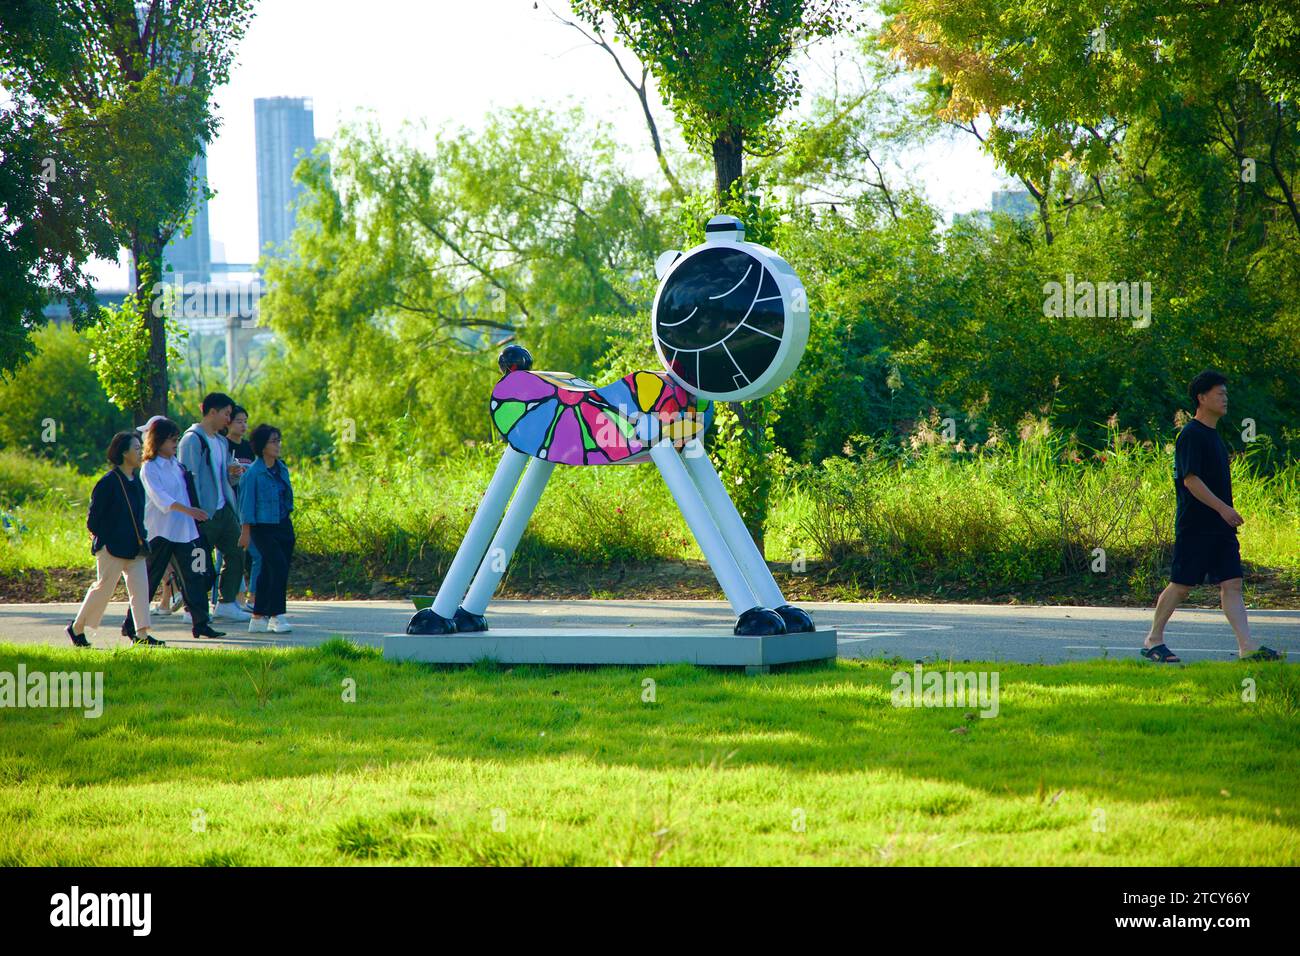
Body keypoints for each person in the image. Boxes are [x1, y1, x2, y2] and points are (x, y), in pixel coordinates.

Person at [1142, 370, 1280, 663]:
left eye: (1226, 393)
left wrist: (1224, 515)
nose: (1225, 398)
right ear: (1202, 398)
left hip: (1220, 527)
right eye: (1220, 393)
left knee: (1231, 583)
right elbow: (1191, 481)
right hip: (1196, 526)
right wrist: (1223, 509)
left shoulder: (1215, 437)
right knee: (1181, 585)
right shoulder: (1190, 435)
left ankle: (1247, 646)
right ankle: (1154, 640)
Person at [121, 418, 226, 640]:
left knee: (194, 577)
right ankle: (131, 624)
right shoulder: (149, 467)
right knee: (149, 579)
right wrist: (191, 511)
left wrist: (193, 515)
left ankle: (201, 624)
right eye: (171, 440)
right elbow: (163, 500)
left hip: (183, 532)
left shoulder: (177, 465)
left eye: (176, 440)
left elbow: (185, 493)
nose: (175, 444)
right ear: (158, 441)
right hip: (160, 532)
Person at [66, 432, 157, 647]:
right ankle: (77, 628)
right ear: (124, 453)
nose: (140, 451)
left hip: (135, 547)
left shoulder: (137, 482)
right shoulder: (108, 483)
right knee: (103, 590)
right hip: (111, 547)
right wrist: (107, 539)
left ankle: (142, 634)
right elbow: (93, 520)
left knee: (141, 590)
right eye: (136, 447)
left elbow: (139, 516)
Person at [178, 392, 249, 622]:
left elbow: (225, 475)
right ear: (212, 412)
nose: (228, 419)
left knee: (237, 550)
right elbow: (188, 478)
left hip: (224, 508)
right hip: (203, 512)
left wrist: (233, 473)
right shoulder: (192, 440)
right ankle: (193, 607)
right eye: (227, 414)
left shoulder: (220, 441)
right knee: (199, 560)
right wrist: (194, 511)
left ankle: (227, 602)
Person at [238, 424, 295, 633]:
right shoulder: (253, 473)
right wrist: (246, 532)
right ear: (262, 446)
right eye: (273, 441)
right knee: (277, 566)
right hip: (262, 527)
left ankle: (258, 616)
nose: (278, 445)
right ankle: (277, 615)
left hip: (283, 525)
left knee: (271, 570)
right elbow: (245, 505)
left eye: (279, 440)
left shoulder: (282, 468)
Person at [223, 404, 257, 611]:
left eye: (245, 421)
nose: (243, 425)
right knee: (231, 552)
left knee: (251, 553)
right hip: (229, 504)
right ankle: (235, 597)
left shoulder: (249, 448)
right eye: (238, 421)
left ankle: (250, 598)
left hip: (246, 503)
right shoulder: (222, 445)